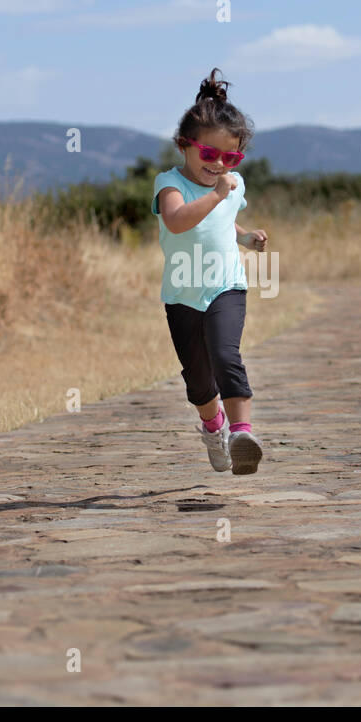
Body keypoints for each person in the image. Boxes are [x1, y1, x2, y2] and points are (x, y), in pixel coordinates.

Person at [151, 68, 268, 475]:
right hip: (183, 293)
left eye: (230, 158)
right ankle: (212, 426)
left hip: (226, 287)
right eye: (209, 154)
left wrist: (247, 238)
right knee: (199, 381)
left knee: (225, 355)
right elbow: (179, 222)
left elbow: (223, 223)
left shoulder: (232, 185)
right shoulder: (169, 184)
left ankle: (241, 433)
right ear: (185, 146)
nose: (219, 164)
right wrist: (217, 195)